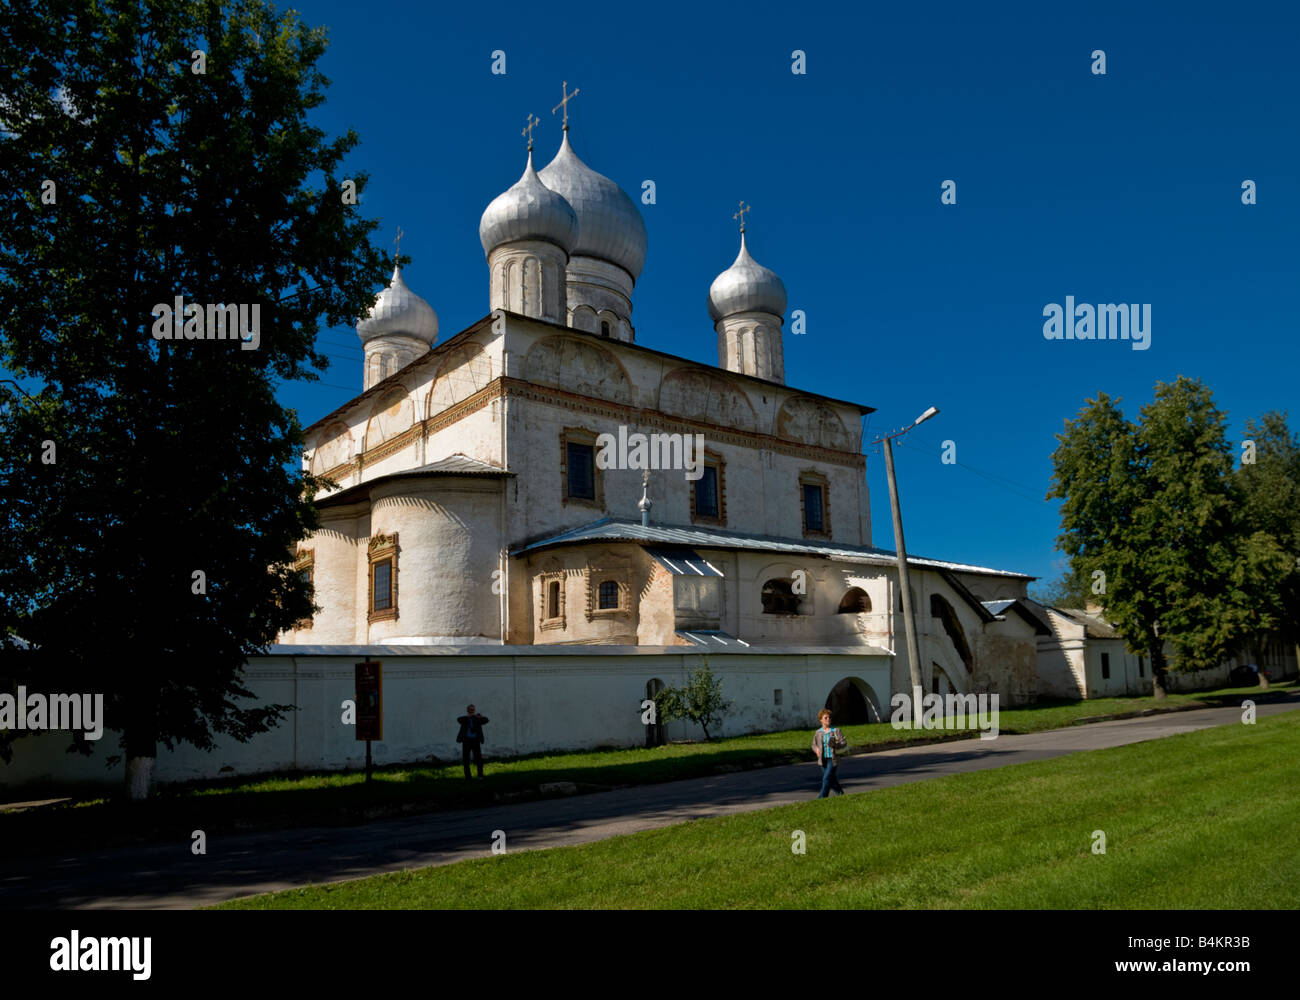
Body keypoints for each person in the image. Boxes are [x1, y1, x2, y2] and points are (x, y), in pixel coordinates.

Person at [812, 708, 845, 798]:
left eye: (829, 717)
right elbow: (813, 745)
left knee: (826, 778)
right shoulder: (818, 733)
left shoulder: (835, 731)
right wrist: (816, 750)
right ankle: (841, 795)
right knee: (831, 780)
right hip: (822, 760)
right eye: (826, 718)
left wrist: (835, 744)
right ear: (821, 720)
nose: (828, 719)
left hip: (832, 759)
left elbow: (843, 743)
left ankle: (821, 798)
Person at [456, 704, 489, 779]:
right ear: (467, 710)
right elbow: (458, 719)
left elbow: (486, 720)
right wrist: (469, 716)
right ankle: (468, 776)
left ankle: (480, 775)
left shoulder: (476, 718)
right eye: (470, 710)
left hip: (475, 741)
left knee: (478, 758)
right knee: (466, 759)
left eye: (473, 709)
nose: (472, 711)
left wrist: (480, 717)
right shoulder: (465, 719)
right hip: (466, 741)